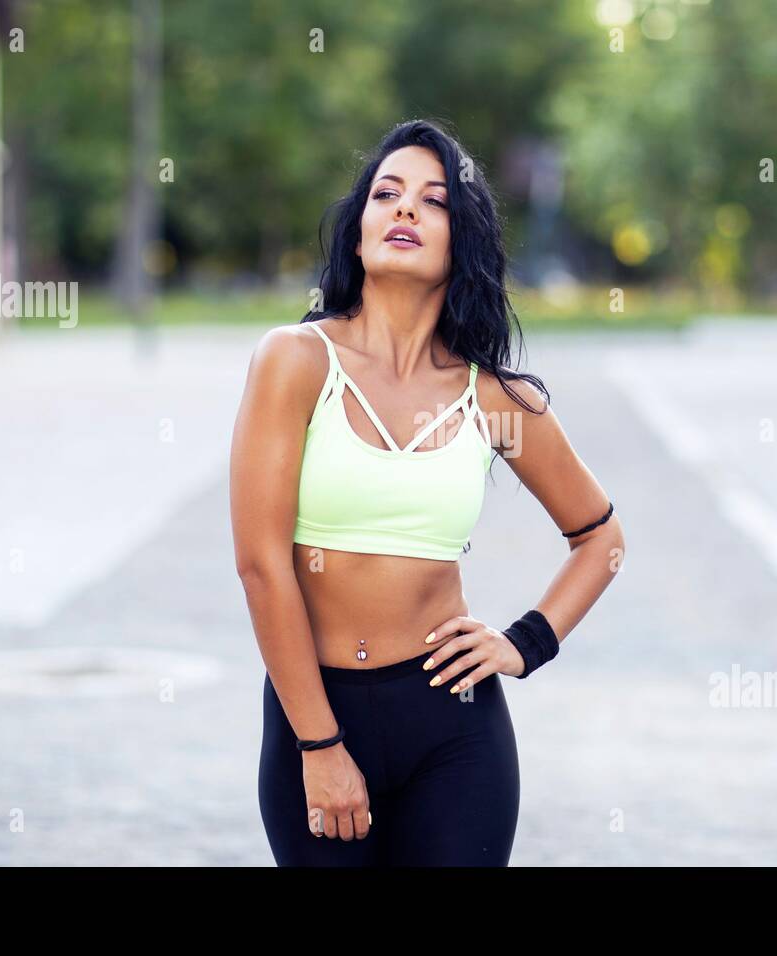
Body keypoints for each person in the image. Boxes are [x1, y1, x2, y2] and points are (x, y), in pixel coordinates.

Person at [229, 119, 624, 866]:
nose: (405, 209)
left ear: (461, 241)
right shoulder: (296, 362)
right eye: (387, 193)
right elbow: (260, 566)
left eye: (433, 200)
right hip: (315, 714)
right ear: (358, 233)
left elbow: (601, 538)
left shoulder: (493, 401)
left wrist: (524, 643)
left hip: (457, 731)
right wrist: (320, 743)